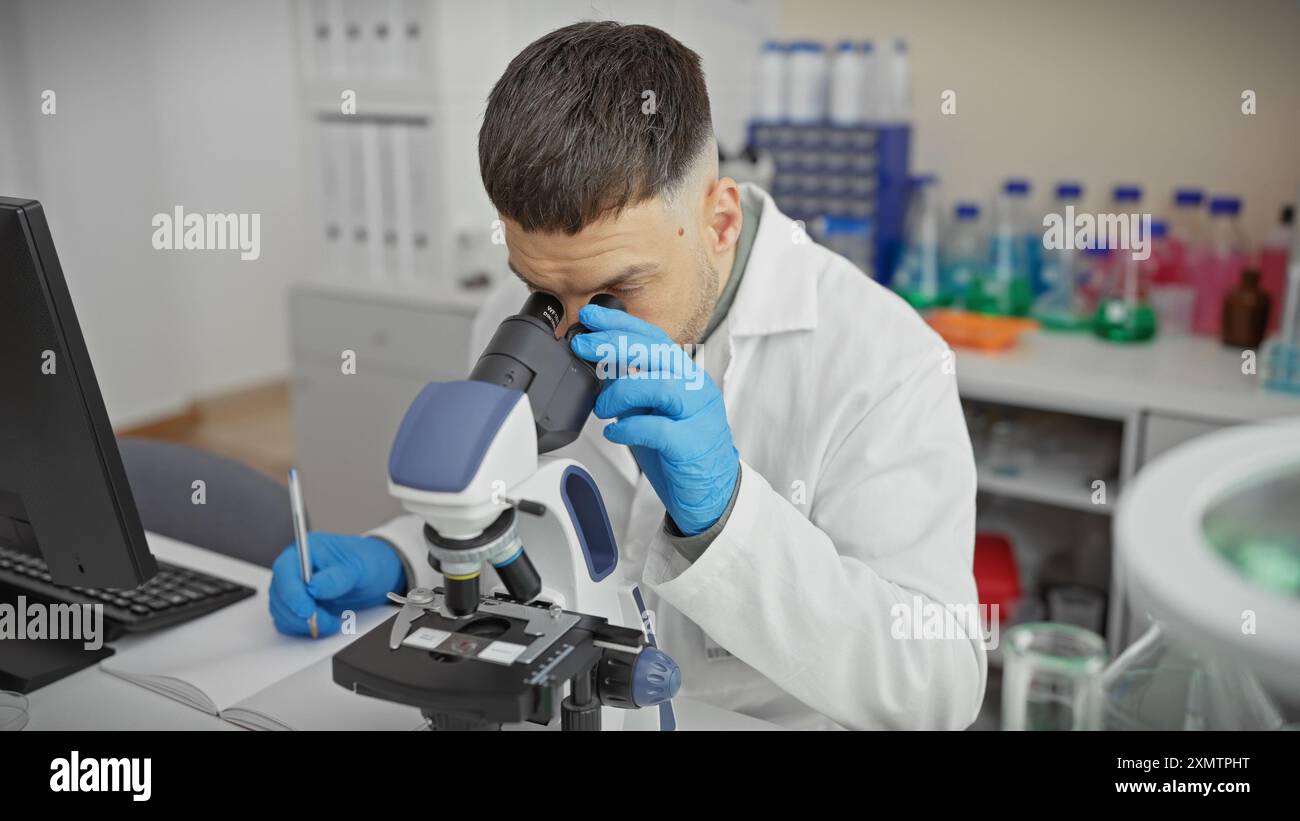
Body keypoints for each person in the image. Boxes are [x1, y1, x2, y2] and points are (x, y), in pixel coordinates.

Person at [270, 21, 986, 730]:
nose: (575, 330)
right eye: (543, 290)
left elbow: (939, 686)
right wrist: (400, 556)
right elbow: (509, 530)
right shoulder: (509, 314)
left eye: (616, 292)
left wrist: (729, 519)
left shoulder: (884, 359)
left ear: (721, 221)